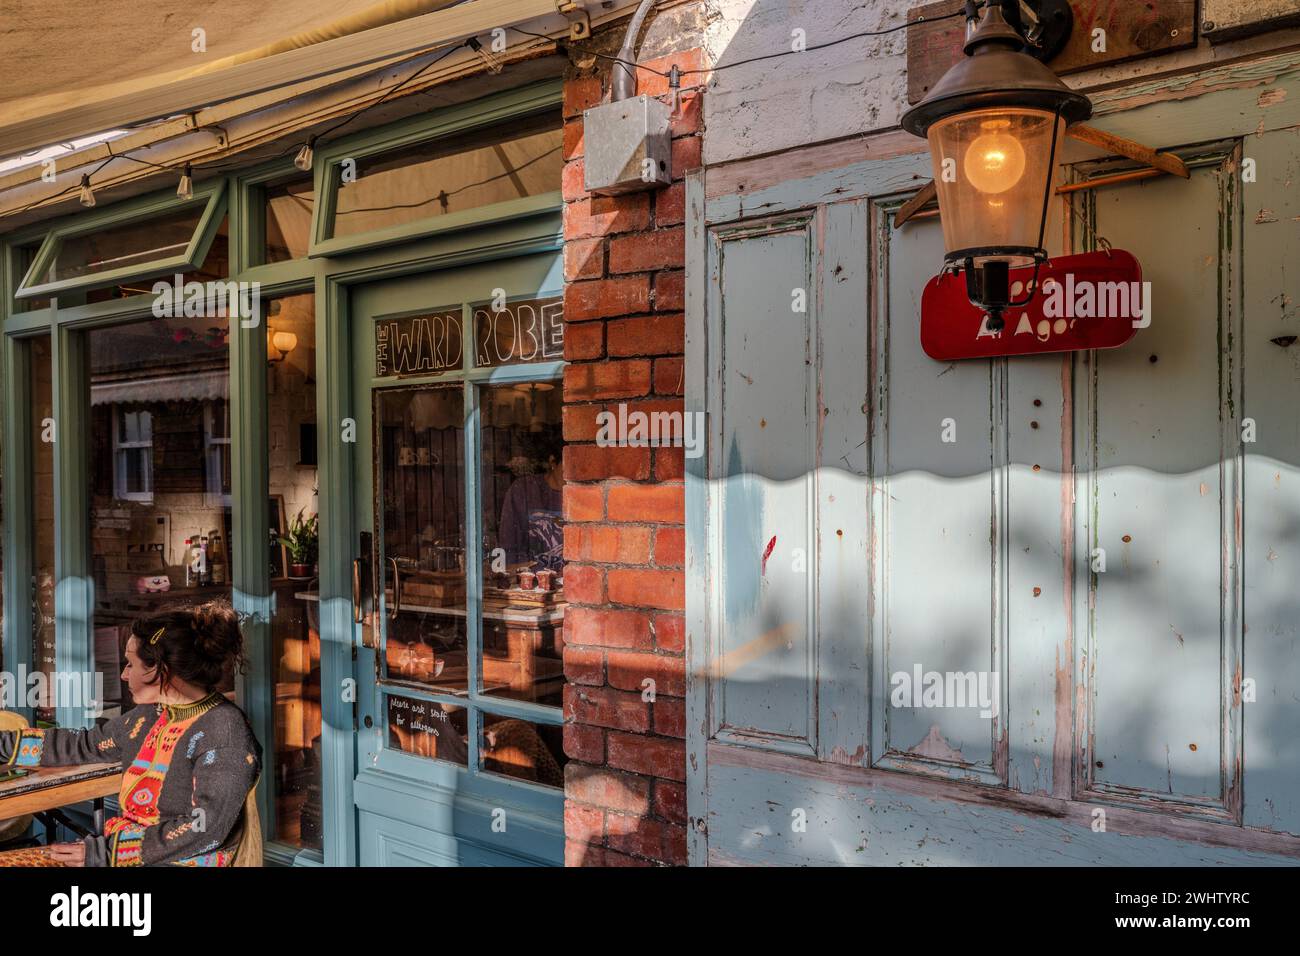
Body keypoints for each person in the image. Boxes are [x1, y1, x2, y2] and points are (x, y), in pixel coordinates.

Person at [0, 602, 262, 867]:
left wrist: (104, 853)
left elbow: (205, 827)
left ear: (161, 669)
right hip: (118, 853)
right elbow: (83, 744)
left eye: (130, 664)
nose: (124, 674)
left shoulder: (225, 732)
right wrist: (4, 746)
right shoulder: (150, 716)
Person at [498, 429, 563, 573]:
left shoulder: (586, 495)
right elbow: (508, 546)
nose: (574, 473)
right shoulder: (523, 490)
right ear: (553, 461)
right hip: (532, 584)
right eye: (569, 465)